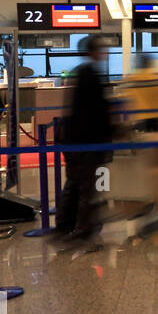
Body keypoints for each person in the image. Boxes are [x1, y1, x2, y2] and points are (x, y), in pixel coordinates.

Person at [55, 35, 114, 248]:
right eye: (102, 49)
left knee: (73, 183)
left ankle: (63, 227)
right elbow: (97, 112)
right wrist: (111, 133)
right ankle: (83, 233)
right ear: (92, 51)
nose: (105, 53)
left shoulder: (80, 72)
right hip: (87, 141)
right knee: (89, 188)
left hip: (74, 139)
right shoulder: (91, 75)